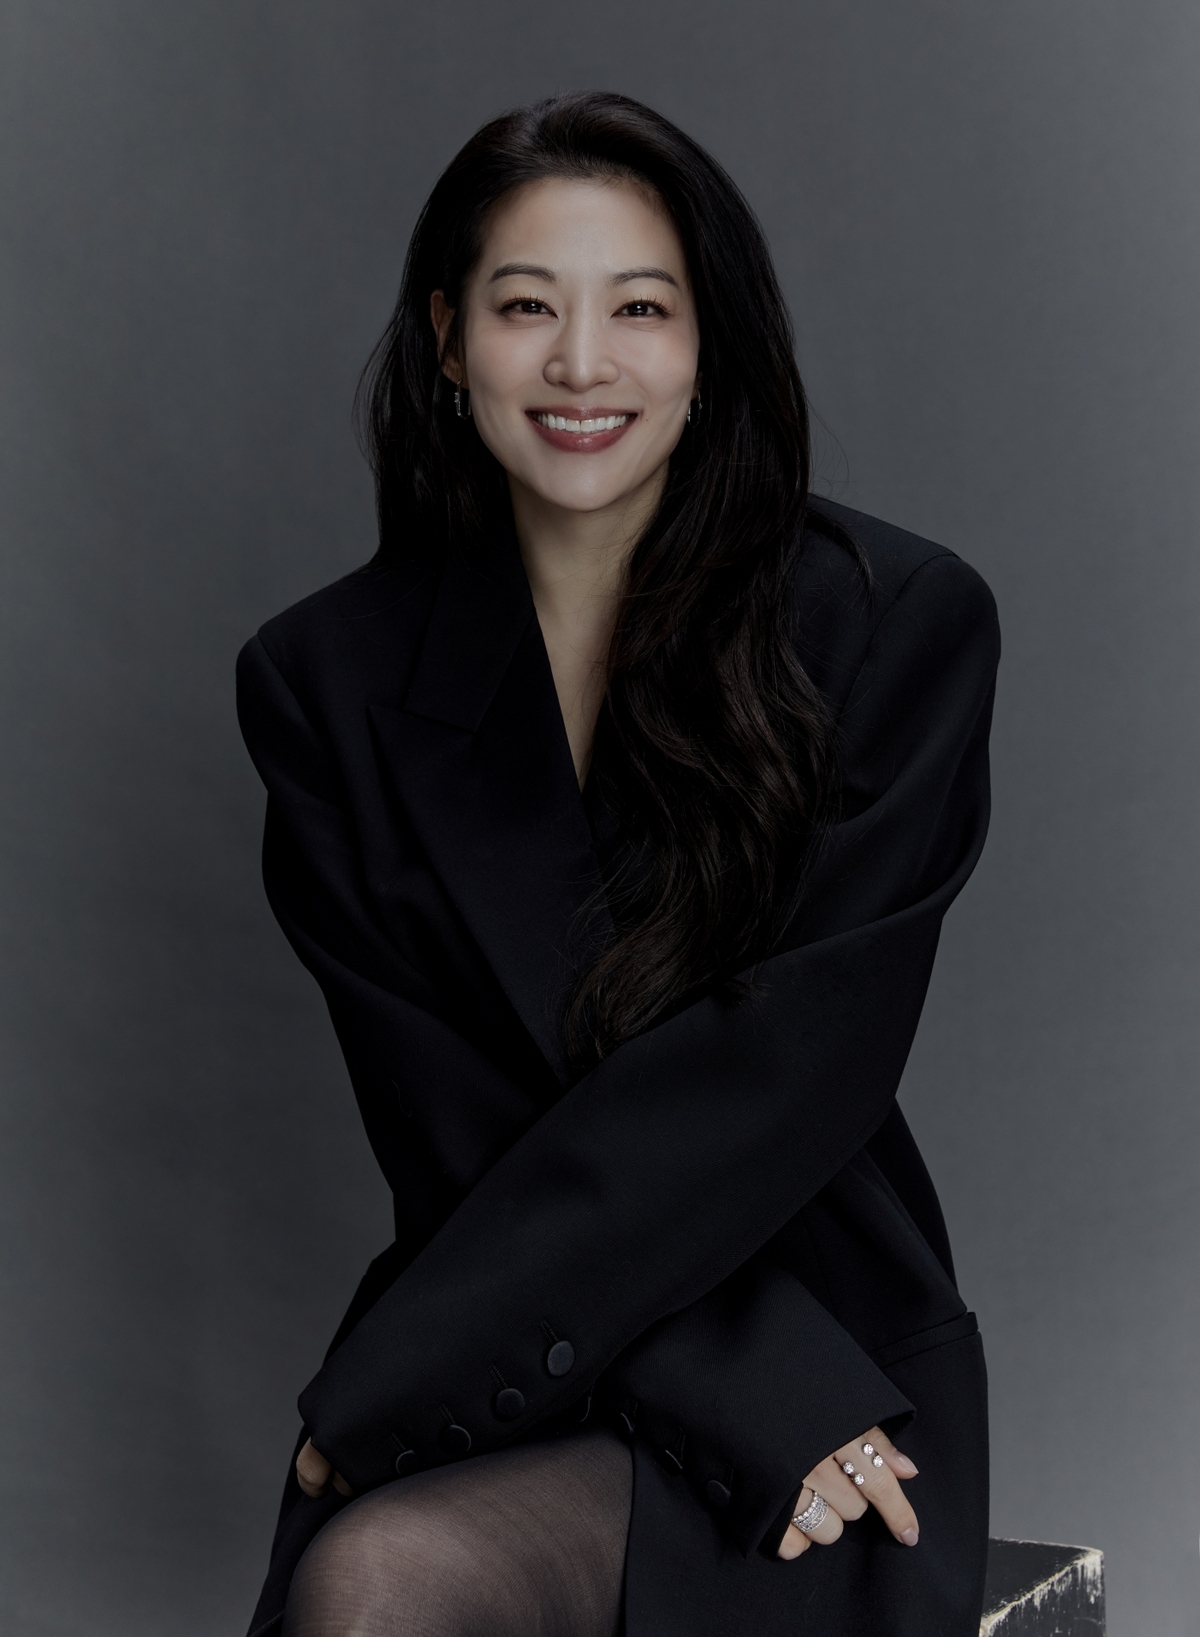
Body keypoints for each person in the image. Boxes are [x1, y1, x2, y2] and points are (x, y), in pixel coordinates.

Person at [237, 91, 1000, 1637]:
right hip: (503, 1328)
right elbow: (451, 1119)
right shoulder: (324, 680)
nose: (582, 362)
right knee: (371, 1584)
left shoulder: (891, 624)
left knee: (378, 1579)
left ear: (710, 345)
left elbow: (787, 1075)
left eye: (640, 308)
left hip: (823, 1338)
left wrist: (777, 1384)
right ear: (449, 340)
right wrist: (739, 1377)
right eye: (528, 307)